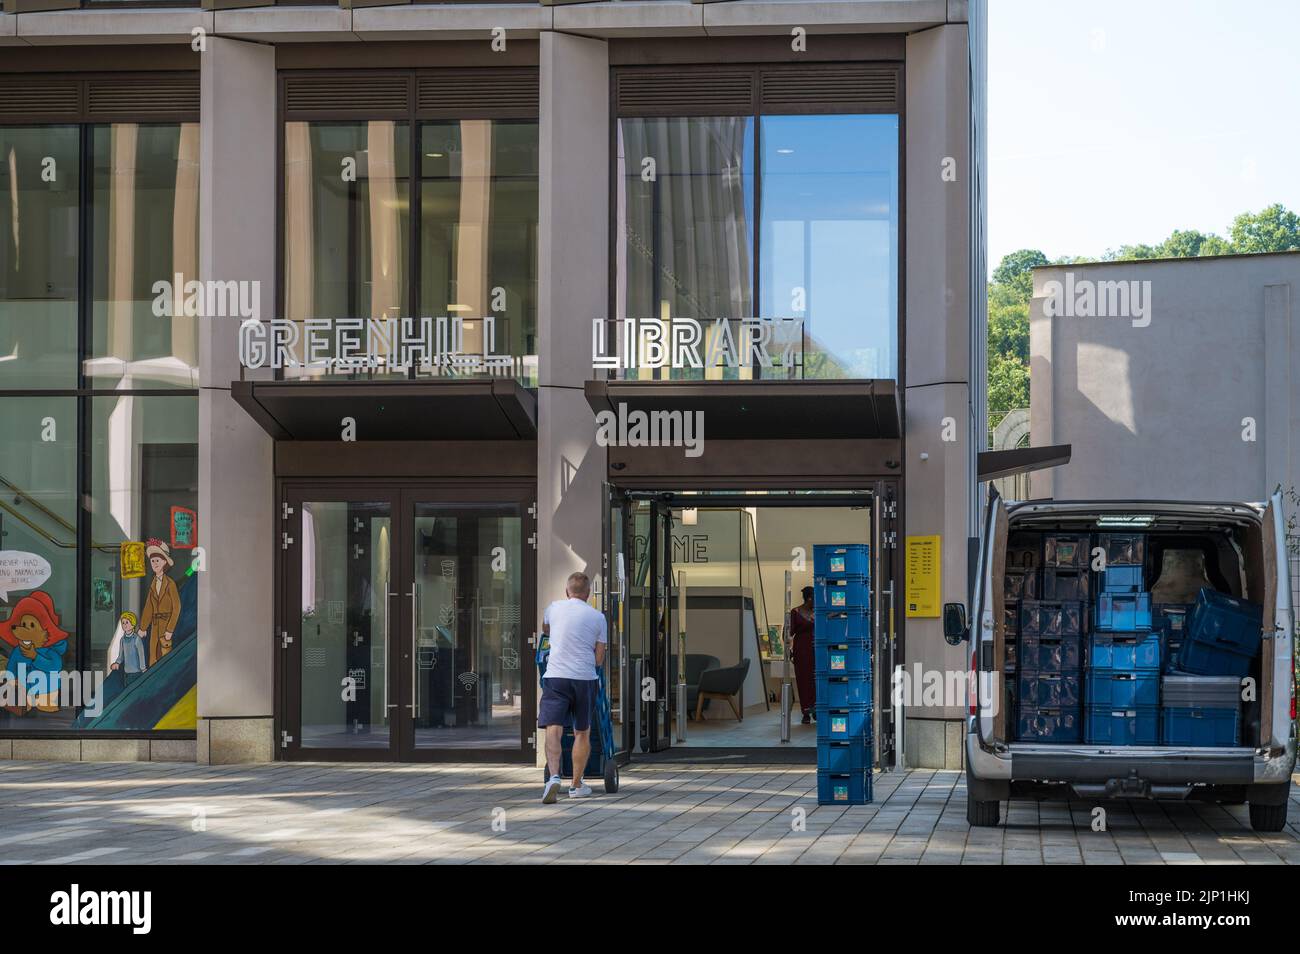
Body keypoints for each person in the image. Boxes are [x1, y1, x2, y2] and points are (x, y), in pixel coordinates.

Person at [538, 571, 608, 803]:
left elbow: (546, 629)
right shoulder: (598, 618)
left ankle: (554, 777)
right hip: (584, 678)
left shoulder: (554, 608)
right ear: (588, 594)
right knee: (581, 731)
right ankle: (576, 785)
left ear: (567, 591)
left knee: (553, 727)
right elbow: (599, 659)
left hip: (556, 676)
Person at [139, 539, 181, 666]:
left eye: (157, 560)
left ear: (164, 562)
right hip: (155, 625)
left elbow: (177, 607)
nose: (155, 563)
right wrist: (143, 627)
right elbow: (148, 607)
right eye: (152, 561)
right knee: (153, 656)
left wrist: (170, 629)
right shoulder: (153, 584)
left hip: (166, 624)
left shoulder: (170, 584)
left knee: (165, 657)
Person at [790, 585, 817, 723]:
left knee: (816, 679)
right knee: (803, 680)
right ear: (809, 599)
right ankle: (806, 711)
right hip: (801, 650)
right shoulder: (795, 612)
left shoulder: (818, 612)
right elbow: (788, 633)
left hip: (816, 650)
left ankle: (816, 709)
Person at [111, 612, 147, 686]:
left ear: (133, 624)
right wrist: (117, 663)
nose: (124, 625)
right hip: (126, 673)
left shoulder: (137, 639)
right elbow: (121, 655)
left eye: (127, 622)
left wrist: (143, 668)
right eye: (123, 623)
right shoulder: (122, 640)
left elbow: (141, 654)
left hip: (136, 673)